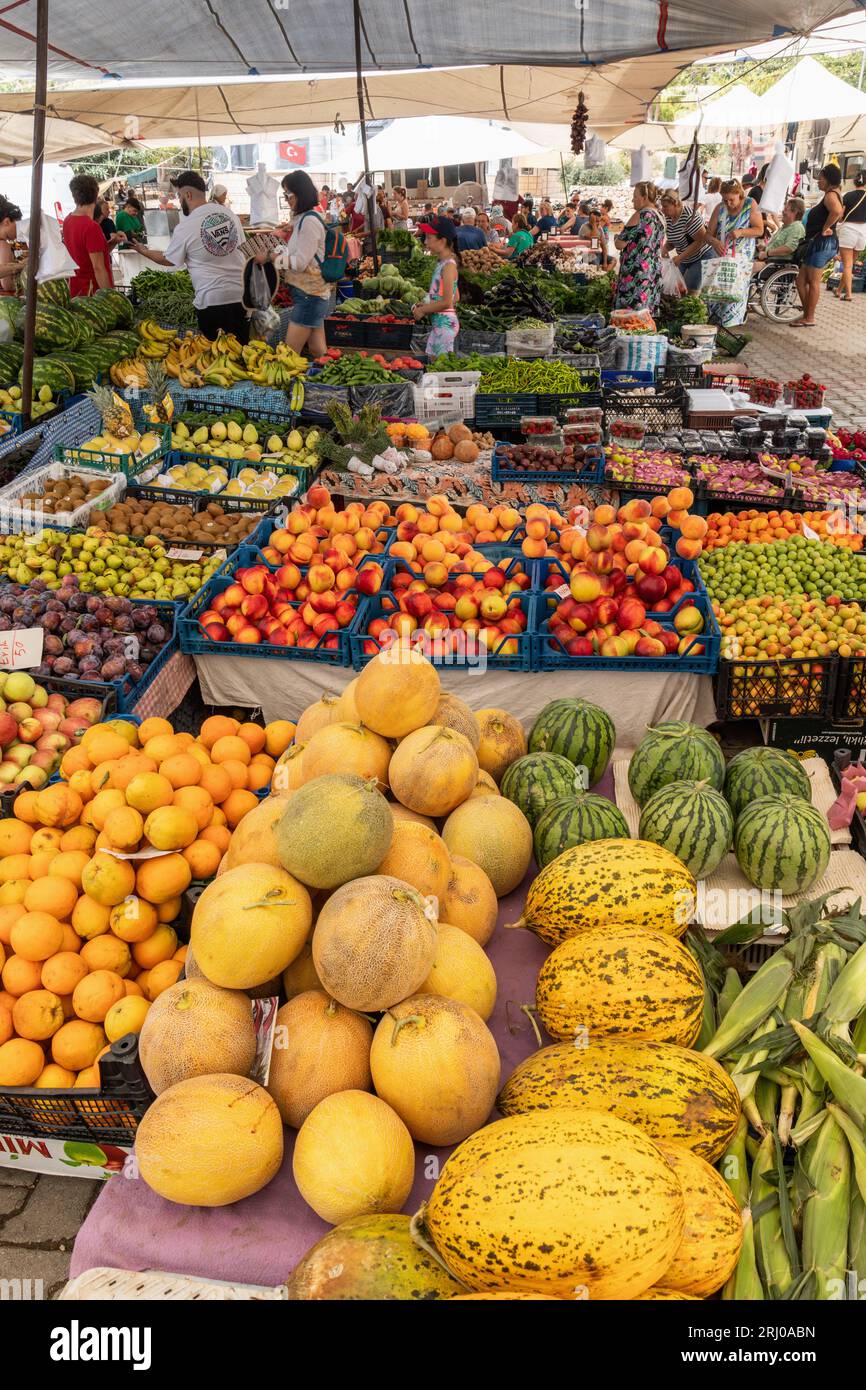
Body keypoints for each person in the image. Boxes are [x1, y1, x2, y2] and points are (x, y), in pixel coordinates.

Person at [133, 170, 247, 341]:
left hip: (212, 303)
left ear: (187, 194)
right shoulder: (230, 215)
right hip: (241, 297)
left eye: (179, 196)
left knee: (217, 360)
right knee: (242, 355)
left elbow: (168, 259)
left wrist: (143, 250)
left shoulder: (186, 226)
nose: (179, 201)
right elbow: (243, 249)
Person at [256, 170, 333, 356]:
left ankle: (295, 384)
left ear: (300, 194)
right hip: (310, 293)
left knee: (288, 354)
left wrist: (270, 256)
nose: (286, 198)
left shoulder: (309, 223)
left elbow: (299, 262)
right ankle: (329, 383)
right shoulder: (303, 220)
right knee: (318, 350)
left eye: (288, 194)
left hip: (310, 296)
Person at [703, 178, 763, 327]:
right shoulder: (720, 208)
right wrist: (715, 242)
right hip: (721, 259)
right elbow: (707, 234)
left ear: (739, 194)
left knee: (734, 296)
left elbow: (759, 229)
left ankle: (731, 328)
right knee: (717, 294)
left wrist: (741, 232)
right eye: (725, 199)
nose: (728, 203)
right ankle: (715, 327)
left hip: (741, 261)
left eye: (732, 199)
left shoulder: (750, 204)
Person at [793, 164, 845, 327]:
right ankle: (807, 314)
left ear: (828, 179)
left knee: (813, 281)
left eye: (821, 178)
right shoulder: (834, 193)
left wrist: (826, 227)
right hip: (818, 243)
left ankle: (809, 317)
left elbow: (836, 212)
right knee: (801, 280)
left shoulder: (831, 195)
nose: (818, 181)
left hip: (821, 244)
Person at [613, 181, 666, 317]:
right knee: (646, 316)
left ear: (644, 198)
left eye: (635, 196)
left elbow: (620, 244)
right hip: (652, 271)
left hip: (637, 274)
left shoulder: (641, 215)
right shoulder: (660, 215)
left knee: (631, 317)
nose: (632, 200)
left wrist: (616, 238)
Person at [412, 212, 460, 354]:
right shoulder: (443, 263)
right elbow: (455, 297)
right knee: (432, 366)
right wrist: (428, 305)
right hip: (440, 325)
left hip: (445, 326)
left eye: (429, 237)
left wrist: (423, 310)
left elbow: (447, 302)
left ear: (442, 241)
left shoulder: (448, 266)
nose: (425, 242)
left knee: (439, 371)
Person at [63, 173, 113, 296]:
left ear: (74, 196)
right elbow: (98, 268)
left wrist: (114, 242)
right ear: (96, 196)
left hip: (76, 290)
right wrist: (112, 300)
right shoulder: (91, 227)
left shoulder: (67, 221)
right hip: (93, 294)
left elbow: (86, 254)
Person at [660, 191, 711, 292]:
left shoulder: (689, 216)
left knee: (689, 290)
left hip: (701, 256)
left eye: (665, 206)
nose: (662, 209)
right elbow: (673, 241)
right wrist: (665, 248)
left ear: (675, 204)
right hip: (685, 258)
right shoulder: (669, 218)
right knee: (676, 288)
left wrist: (679, 258)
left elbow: (701, 240)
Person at [835, 171, 866, 301]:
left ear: (854, 181)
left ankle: (848, 294)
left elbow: (840, 215)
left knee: (847, 265)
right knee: (850, 264)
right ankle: (838, 290)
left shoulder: (848, 195)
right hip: (863, 231)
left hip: (848, 230)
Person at [753, 197, 806, 272]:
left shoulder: (796, 228)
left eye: (786, 209)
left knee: (744, 269)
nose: (783, 212)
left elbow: (789, 248)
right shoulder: (786, 226)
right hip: (769, 260)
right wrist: (765, 247)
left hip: (776, 264)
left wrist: (767, 253)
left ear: (795, 213)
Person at [0, 195, 25, 294]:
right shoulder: (3, 243)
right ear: (7, 222)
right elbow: (7, 284)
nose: (19, 231)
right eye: (17, 225)